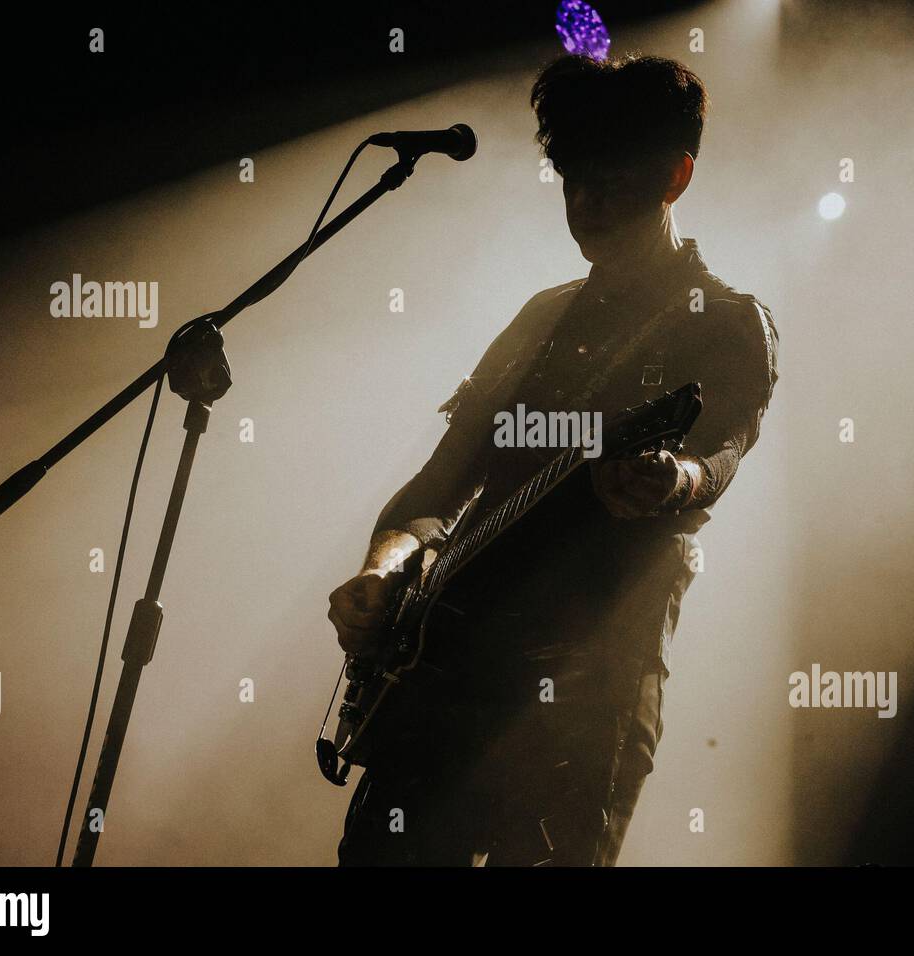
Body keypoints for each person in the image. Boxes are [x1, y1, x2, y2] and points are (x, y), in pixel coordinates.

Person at [328, 53, 779, 865]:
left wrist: (670, 477)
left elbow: (721, 447)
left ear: (675, 175)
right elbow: (437, 486)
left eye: (610, 176)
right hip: (443, 685)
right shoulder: (541, 317)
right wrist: (385, 568)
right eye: (571, 178)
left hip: (584, 699)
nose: (585, 202)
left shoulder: (725, 320)